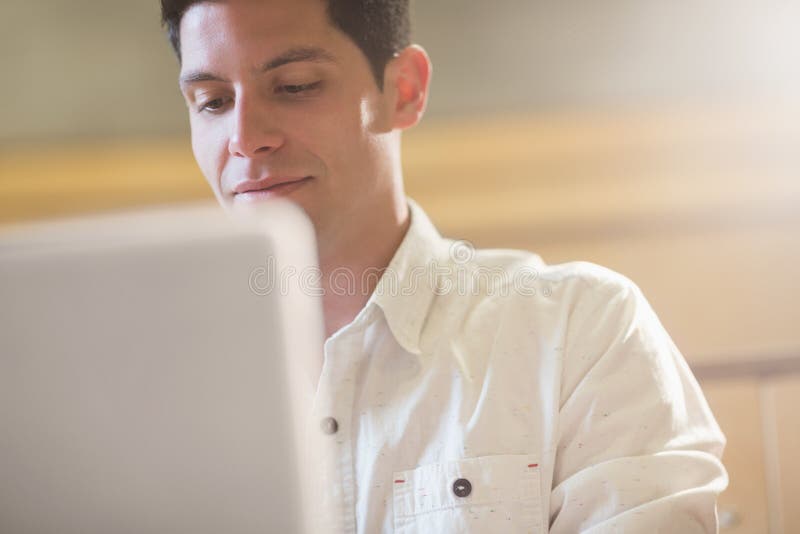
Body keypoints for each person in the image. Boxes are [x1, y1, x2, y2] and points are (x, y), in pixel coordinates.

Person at [160, 0, 728, 531]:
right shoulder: (159, 378)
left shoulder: (582, 331)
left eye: (295, 86)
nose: (245, 139)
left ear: (403, 90)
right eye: (212, 101)